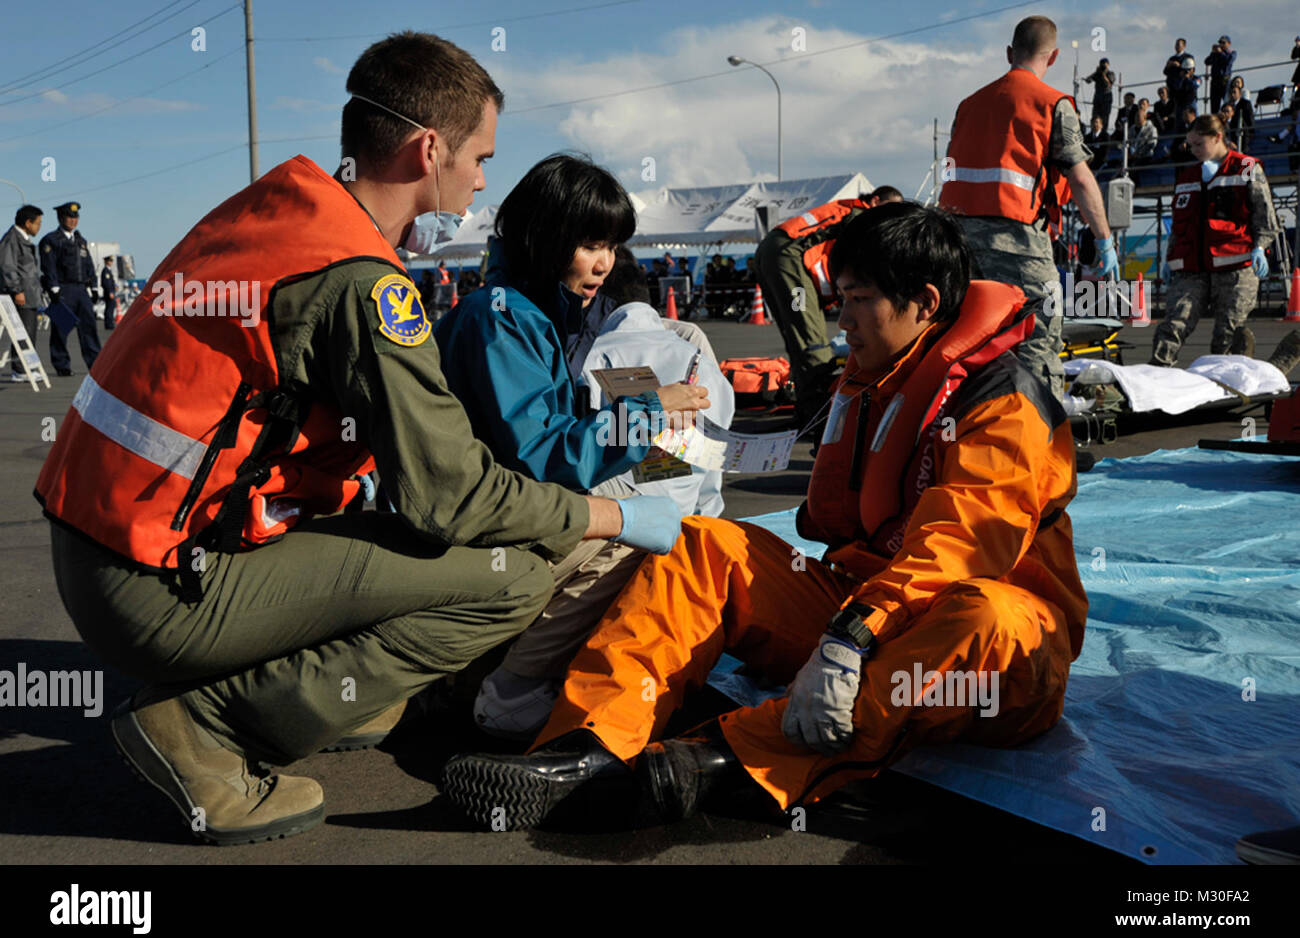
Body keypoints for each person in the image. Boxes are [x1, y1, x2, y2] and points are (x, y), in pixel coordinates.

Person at [33, 31, 684, 847]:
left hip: (119, 538)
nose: (483, 177)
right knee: (509, 577)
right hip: (155, 584)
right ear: (428, 149)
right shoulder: (377, 285)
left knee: (424, 535)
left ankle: (336, 685)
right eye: (479, 156)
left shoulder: (283, 213)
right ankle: (209, 730)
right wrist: (615, 511)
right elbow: (464, 489)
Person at [441, 201, 1089, 831]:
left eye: (860, 299)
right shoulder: (871, 376)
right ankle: (587, 750)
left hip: (983, 645)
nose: (843, 319)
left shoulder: (1002, 401)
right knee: (701, 543)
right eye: (841, 296)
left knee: (984, 616)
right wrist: (848, 627)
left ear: (923, 302)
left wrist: (852, 637)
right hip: (859, 611)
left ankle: (712, 764)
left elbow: (963, 544)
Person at [433, 155, 710, 740]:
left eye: (610, 246)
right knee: (644, 535)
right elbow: (543, 454)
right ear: (546, 237)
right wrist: (653, 407)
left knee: (662, 505)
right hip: (490, 527)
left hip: (513, 509)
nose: (604, 263)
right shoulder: (501, 318)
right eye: (590, 244)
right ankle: (511, 685)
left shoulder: (541, 311)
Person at [941, 15, 1117, 400]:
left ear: (1009, 53)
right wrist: (1104, 240)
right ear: (1053, 58)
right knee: (1038, 335)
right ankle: (1042, 441)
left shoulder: (968, 105)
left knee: (974, 336)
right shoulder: (1052, 104)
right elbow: (1082, 179)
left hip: (957, 243)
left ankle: (975, 428)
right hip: (1016, 240)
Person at [752, 184, 903, 435]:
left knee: (798, 337)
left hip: (775, 252)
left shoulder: (843, 212)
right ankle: (817, 419)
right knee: (811, 340)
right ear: (875, 201)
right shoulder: (860, 214)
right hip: (786, 255)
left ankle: (807, 411)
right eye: (891, 210)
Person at [1152, 114, 1280, 366]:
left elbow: (1264, 214)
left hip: (1234, 267)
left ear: (1217, 137)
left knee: (1227, 336)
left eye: (1199, 144)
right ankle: (1155, 380)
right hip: (1192, 268)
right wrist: (1171, 258)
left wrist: (1260, 247)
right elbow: (1179, 225)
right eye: (1190, 144)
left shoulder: (1245, 166)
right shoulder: (1188, 175)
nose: (1194, 150)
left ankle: (1225, 389)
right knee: (1172, 327)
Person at [39, 201, 101, 376]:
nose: (73, 220)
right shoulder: (51, 240)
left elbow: (88, 265)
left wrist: (94, 287)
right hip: (63, 289)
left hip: (81, 290)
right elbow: (49, 266)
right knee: (60, 329)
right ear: (60, 218)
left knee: (89, 327)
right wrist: (54, 288)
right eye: (70, 217)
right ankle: (61, 365)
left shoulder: (80, 241)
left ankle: (95, 364)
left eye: (76, 217)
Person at [0, 204, 44, 382]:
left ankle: (28, 367)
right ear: (28, 223)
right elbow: (7, 266)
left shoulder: (23, 239)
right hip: (20, 295)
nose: (39, 226)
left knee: (29, 332)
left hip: (30, 294)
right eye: (38, 223)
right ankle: (20, 369)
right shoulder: (12, 239)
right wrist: (16, 290)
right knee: (22, 333)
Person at [1205, 36, 1236, 114]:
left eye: (1223, 43)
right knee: (1214, 106)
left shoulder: (1232, 53)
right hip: (1215, 81)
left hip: (1225, 81)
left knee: (1227, 103)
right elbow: (1207, 61)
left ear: (1229, 44)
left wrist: (1221, 53)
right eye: (1220, 43)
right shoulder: (1216, 54)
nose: (1221, 44)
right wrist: (1212, 52)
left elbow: (1228, 61)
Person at [1084, 57, 1115, 130]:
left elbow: (1108, 83)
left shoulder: (1111, 73)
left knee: (1105, 118)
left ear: (1108, 65)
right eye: (1102, 64)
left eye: (1105, 64)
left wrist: (1104, 74)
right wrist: (1095, 72)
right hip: (1097, 99)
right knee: (1095, 117)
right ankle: (1094, 132)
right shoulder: (1097, 73)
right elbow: (1088, 80)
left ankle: (1103, 133)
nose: (1103, 66)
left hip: (1106, 99)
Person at [1226, 84, 1255, 150]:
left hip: (1243, 133)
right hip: (1231, 134)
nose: (1232, 94)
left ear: (1240, 94)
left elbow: (1249, 118)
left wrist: (1250, 133)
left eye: (1234, 92)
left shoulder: (1245, 103)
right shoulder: (1227, 105)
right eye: (1231, 93)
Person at [99, 255, 117, 330]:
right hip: (109, 293)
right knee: (109, 309)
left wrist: (115, 286)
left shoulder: (108, 271)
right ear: (106, 262)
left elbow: (111, 282)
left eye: (112, 261)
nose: (111, 262)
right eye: (110, 261)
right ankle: (109, 324)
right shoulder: (105, 271)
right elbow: (106, 283)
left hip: (111, 291)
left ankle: (109, 323)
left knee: (111, 308)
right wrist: (110, 292)